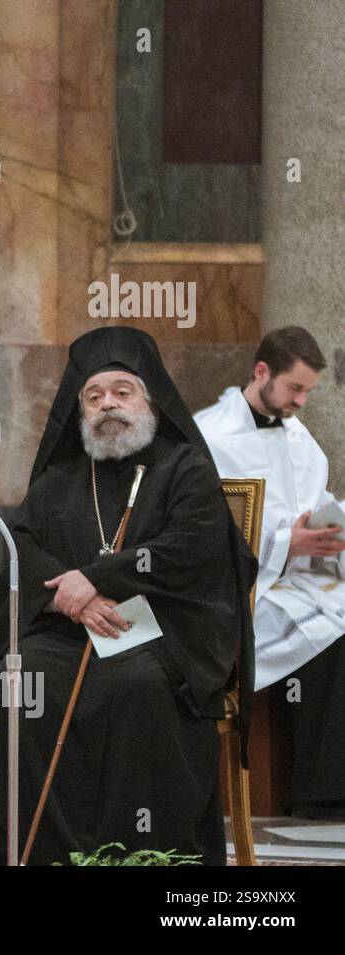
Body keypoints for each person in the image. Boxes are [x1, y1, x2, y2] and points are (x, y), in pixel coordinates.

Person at [0, 326, 254, 866]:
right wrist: (69, 597)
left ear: (149, 399)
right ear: (79, 409)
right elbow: (22, 546)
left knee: (137, 687)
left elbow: (194, 547)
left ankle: (146, 857)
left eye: (123, 392)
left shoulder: (185, 467)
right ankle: (44, 857)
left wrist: (101, 579)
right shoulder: (60, 477)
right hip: (70, 629)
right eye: (94, 395)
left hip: (165, 631)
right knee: (25, 675)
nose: (109, 405)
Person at [195, 326, 345, 818]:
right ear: (262, 372)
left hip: (296, 579)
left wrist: (327, 533)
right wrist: (285, 544)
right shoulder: (209, 436)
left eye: (308, 391)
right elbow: (200, 533)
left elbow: (309, 504)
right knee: (334, 636)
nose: (301, 401)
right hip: (241, 592)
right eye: (295, 388)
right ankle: (322, 791)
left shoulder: (299, 439)